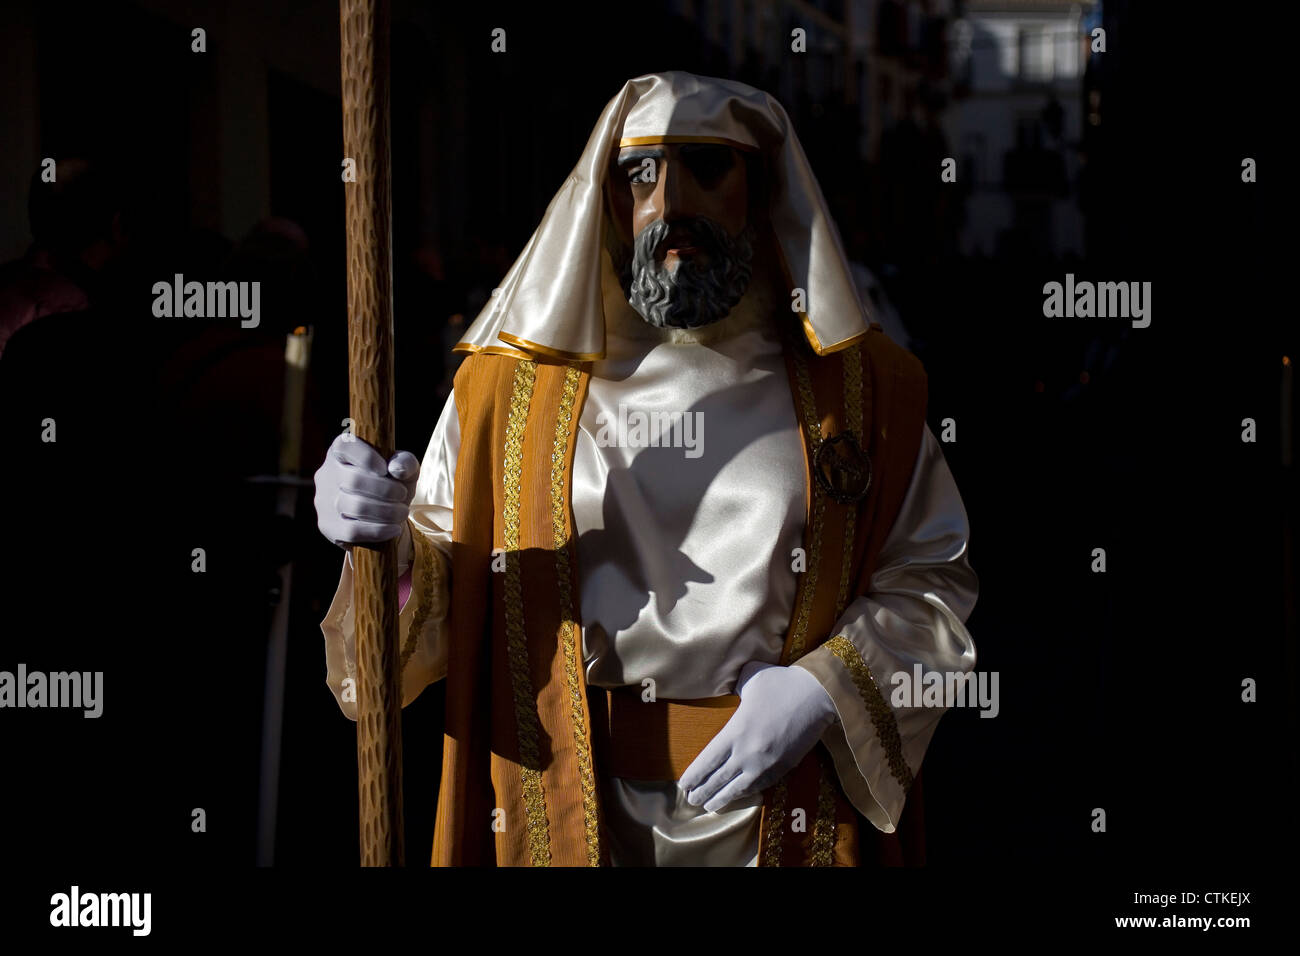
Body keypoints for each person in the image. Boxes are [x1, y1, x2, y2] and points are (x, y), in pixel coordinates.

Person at [313, 71, 978, 867]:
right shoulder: (506, 388)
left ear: (761, 188)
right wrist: (378, 540)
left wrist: (826, 690)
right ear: (610, 198)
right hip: (561, 801)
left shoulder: (865, 392)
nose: (669, 207)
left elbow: (930, 580)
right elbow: (443, 585)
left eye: (706, 167)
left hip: (783, 812)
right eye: (641, 175)